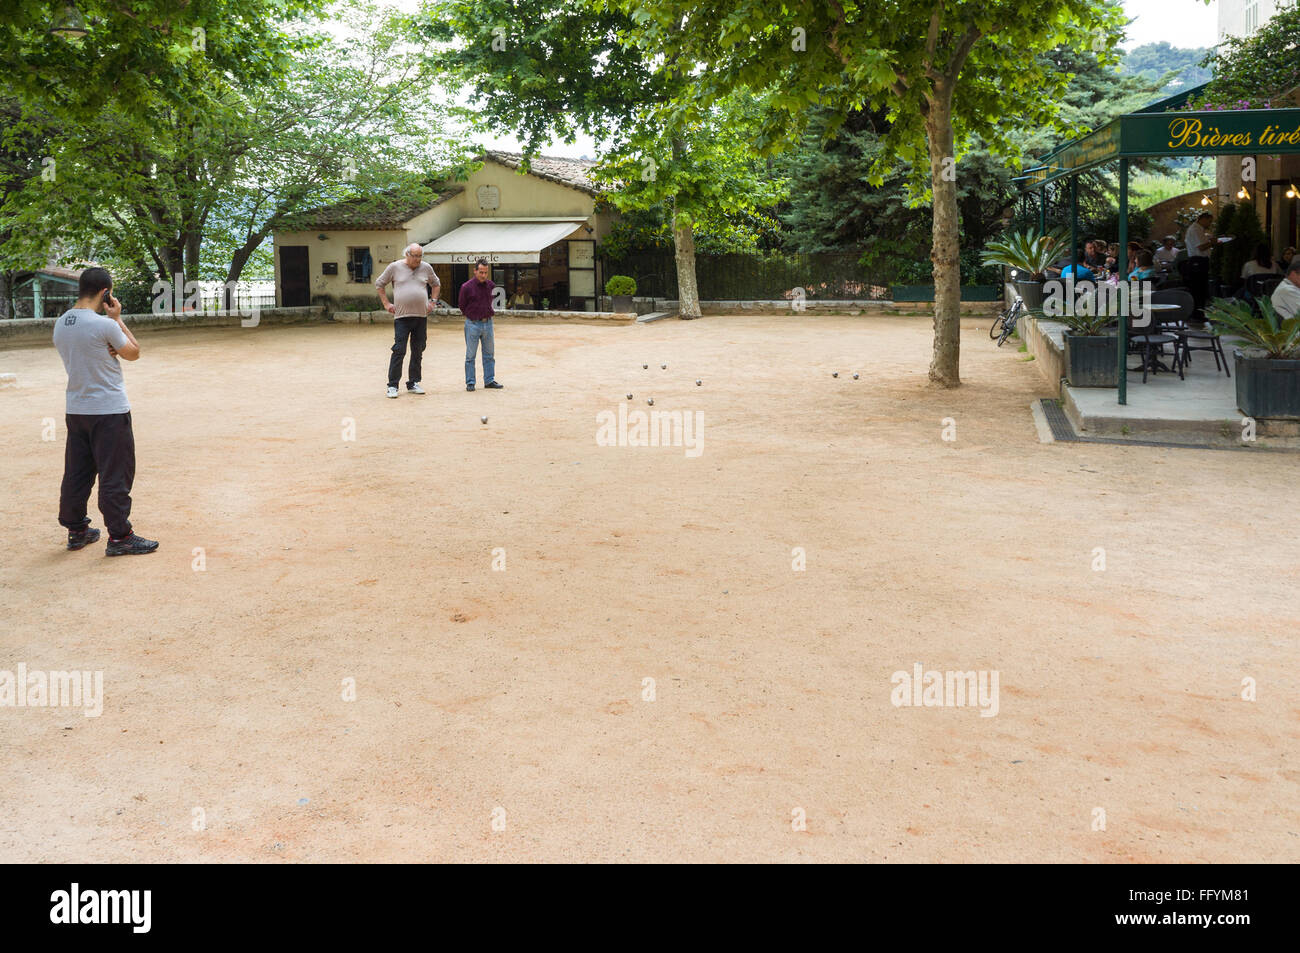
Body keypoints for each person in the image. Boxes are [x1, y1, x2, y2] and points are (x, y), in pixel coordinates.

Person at [52, 267, 158, 556]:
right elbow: (134, 352)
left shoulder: (61, 324)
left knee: (77, 471)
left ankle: (76, 530)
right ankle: (120, 537)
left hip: (77, 409)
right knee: (115, 473)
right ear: (105, 292)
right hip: (109, 410)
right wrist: (117, 319)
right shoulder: (104, 325)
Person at [375, 243, 441, 398]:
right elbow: (379, 284)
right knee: (399, 349)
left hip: (420, 316)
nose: (418, 260)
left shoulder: (426, 268)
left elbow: (436, 284)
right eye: (415, 256)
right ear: (407, 254)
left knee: (418, 349)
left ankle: (413, 382)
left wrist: (432, 302)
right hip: (402, 317)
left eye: (420, 256)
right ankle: (392, 385)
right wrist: (386, 303)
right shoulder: (394, 267)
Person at [458, 258, 503, 391]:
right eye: (481, 272)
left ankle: (489, 380)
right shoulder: (466, 287)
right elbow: (462, 305)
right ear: (475, 271)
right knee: (470, 355)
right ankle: (470, 382)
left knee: (489, 354)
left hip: (488, 323)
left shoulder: (491, 285)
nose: (483, 275)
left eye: (485, 272)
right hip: (472, 323)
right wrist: (471, 315)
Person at [1184, 212, 1215, 319]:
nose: (1210, 224)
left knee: (1200, 289)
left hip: (1200, 261)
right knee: (1198, 289)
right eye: (1209, 221)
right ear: (1203, 219)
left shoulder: (1199, 230)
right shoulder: (1196, 229)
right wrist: (1213, 242)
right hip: (1197, 262)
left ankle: (1198, 313)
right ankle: (1196, 314)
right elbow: (1201, 247)